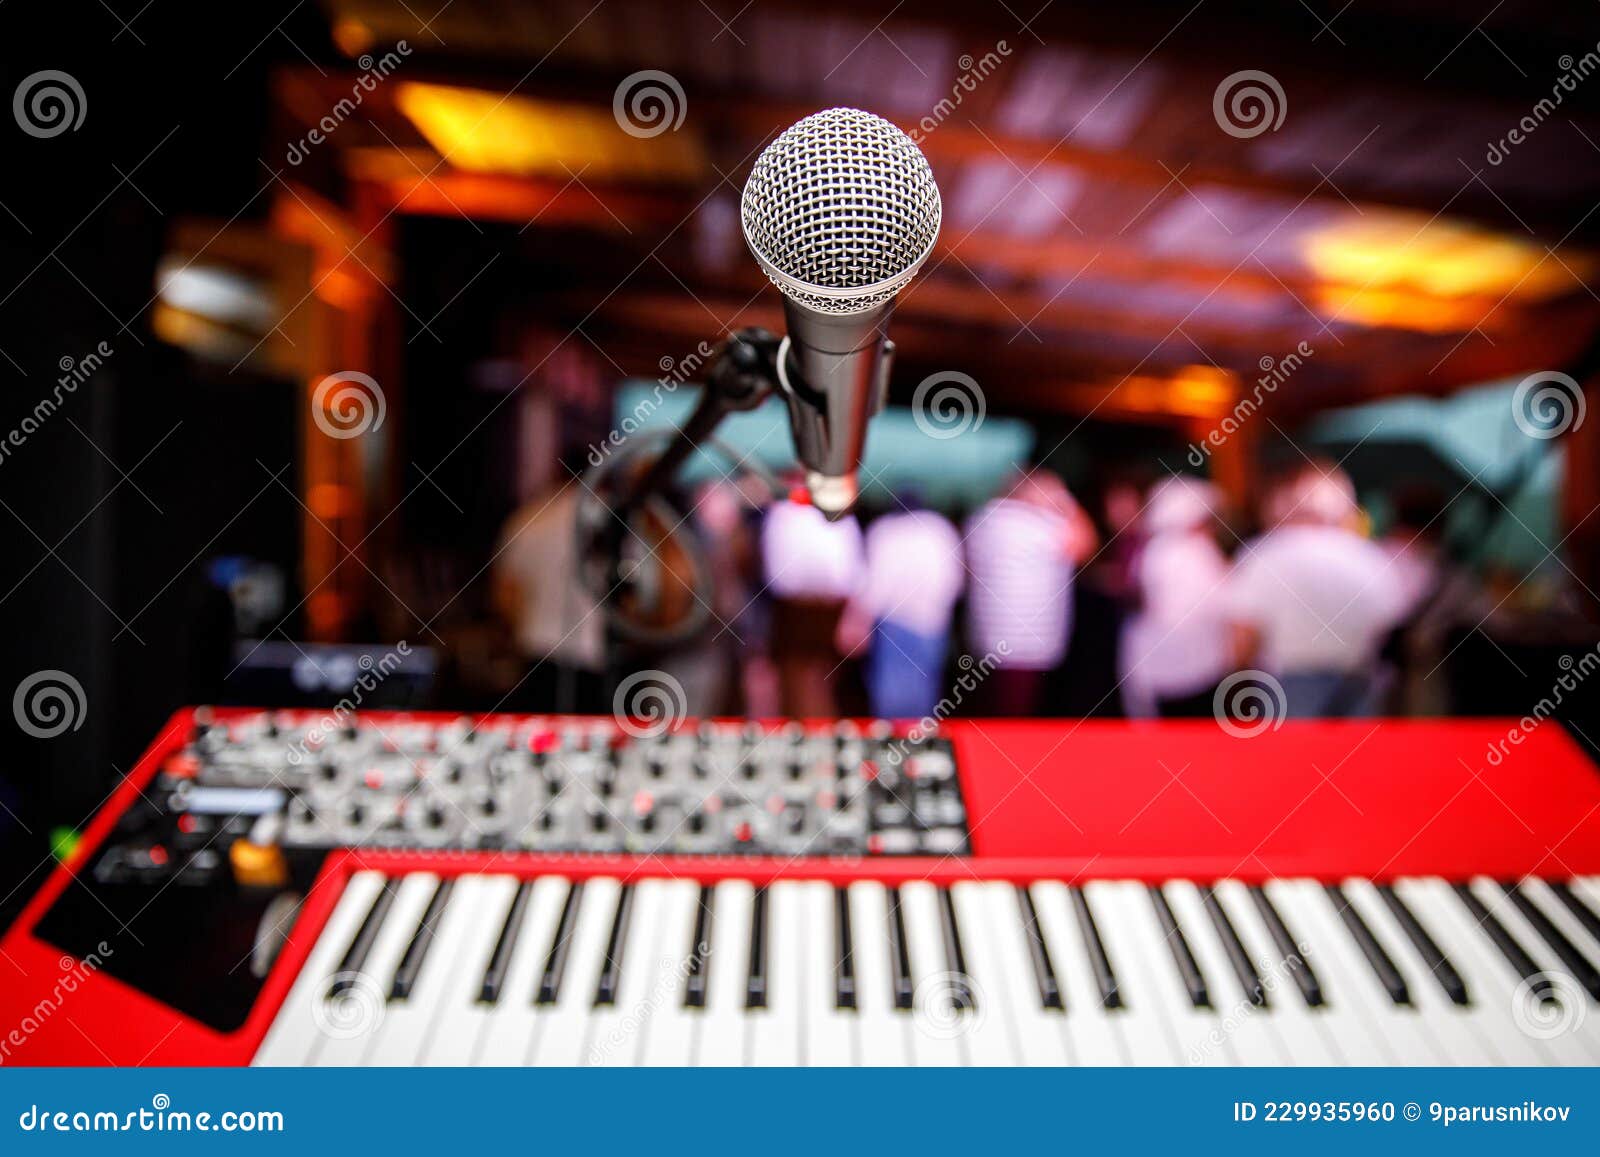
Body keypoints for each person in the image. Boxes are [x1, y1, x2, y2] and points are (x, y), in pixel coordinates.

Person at [1220, 462, 1409, 717]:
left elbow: (1244, 631)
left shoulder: (1265, 553)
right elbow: (1391, 622)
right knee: (1357, 745)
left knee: (1293, 745)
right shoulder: (1367, 555)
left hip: (1289, 683)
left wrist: (1239, 677)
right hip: (1358, 679)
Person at [964, 470, 1099, 715]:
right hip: (1026, 646)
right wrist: (1065, 502)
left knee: (991, 709)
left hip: (989, 639)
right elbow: (1086, 544)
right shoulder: (1040, 525)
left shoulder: (983, 520)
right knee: (1018, 716)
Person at [836, 493, 964, 719]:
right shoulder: (941, 529)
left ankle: (895, 739)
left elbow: (876, 584)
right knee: (923, 692)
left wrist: (856, 622)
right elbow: (954, 581)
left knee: (893, 696)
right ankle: (919, 738)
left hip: (896, 623)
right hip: (933, 623)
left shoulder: (886, 530)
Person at [1119, 476, 1232, 717]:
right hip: (1195, 669)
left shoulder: (1153, 549)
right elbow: (1225, 603)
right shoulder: (1194, 550)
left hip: (1158, 665)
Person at [491, 483, 608, 713]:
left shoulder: (530, 518)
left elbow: (505, 596)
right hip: (599, 659)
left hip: (539, 656)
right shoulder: (618, 516)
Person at [760, 486, 864, 716]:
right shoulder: (785, 514)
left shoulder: (834, 516)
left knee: (820, 678)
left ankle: (816, 725)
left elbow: (850, 573)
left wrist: (852, 616)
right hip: (795, 611)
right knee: (798, 677)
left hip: (826, 611)